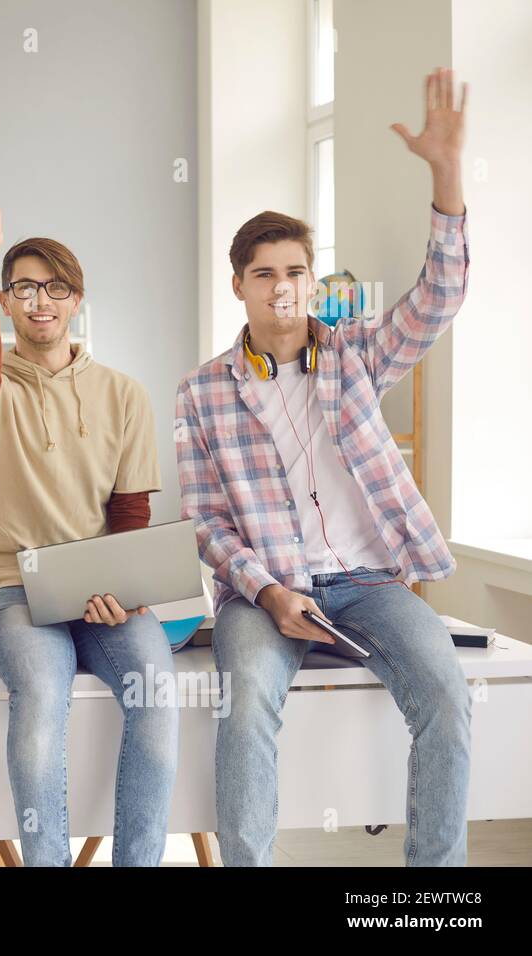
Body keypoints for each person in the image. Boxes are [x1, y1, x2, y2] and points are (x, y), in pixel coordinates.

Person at [175, 69, 471, 866]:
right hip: (264, 585)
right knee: (245, 707)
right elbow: (203, 521)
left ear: (313, 281)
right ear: (238, 285)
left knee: (446, 693)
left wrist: (445, 179)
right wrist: (268, 591)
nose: (283, 287)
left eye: (296, 272)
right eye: (265, 273)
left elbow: (438, 299)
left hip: (370, 580)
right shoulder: (202, 392)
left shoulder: (358, 356)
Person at [0, 166, 176, 866]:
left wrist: (123, 590)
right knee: (42, 695)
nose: (39, 301)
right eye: (23, 287)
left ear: (76, 299)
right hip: (13, 587)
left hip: (100, 589)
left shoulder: (123, 393)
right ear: (6, 302)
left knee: (157, 690)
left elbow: (129, 510)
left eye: (54, 287)